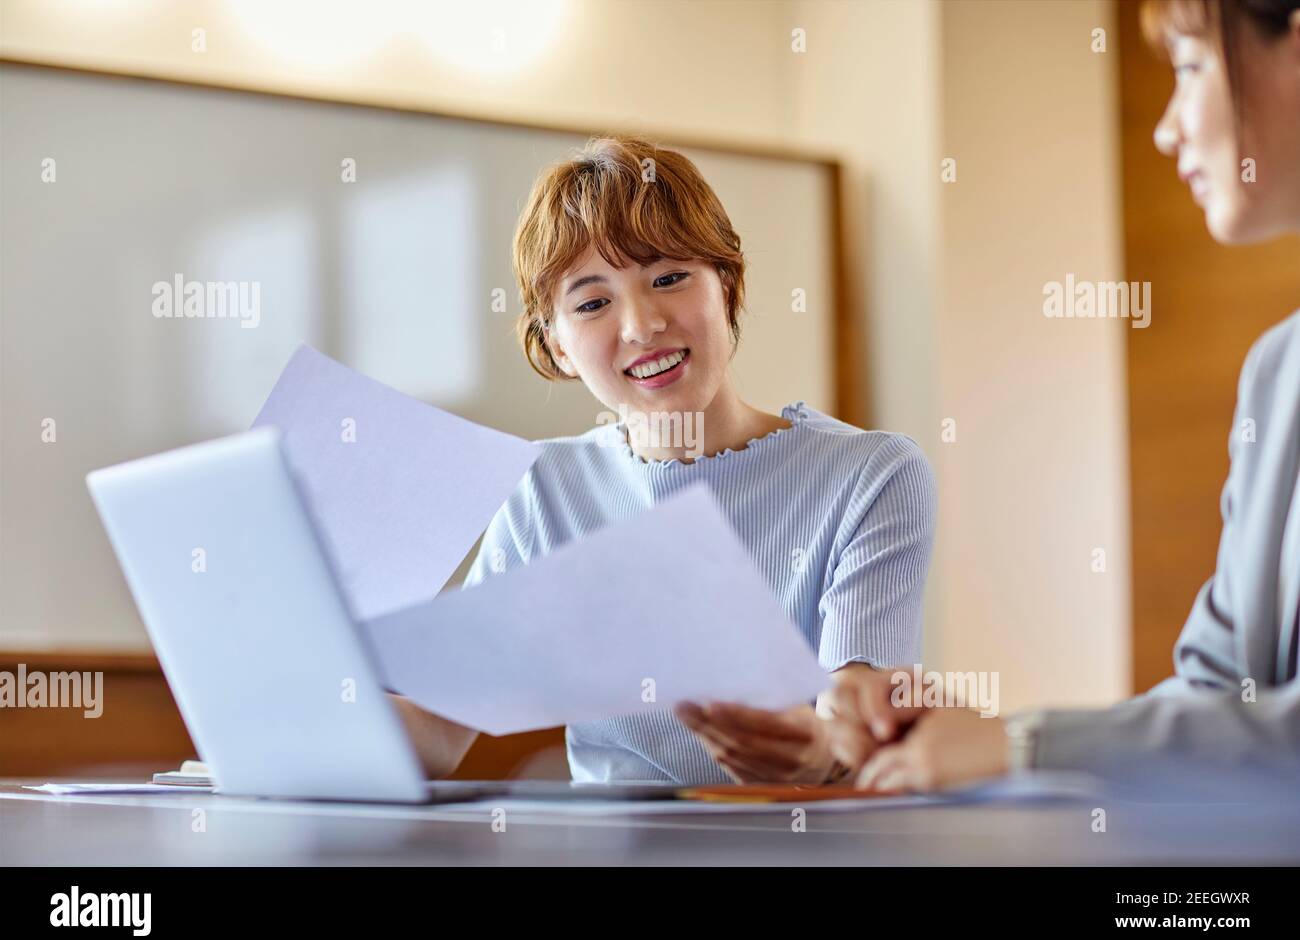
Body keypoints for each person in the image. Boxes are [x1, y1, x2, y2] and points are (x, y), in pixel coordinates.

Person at [823, 0, 1300, 794]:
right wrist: (972, 735)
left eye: (1189, 68)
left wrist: (1030, 745)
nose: (1167, 130)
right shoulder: (1275, 372)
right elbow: (1218, 694)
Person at [390, 135, 936, 784]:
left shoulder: (870, 476)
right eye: (593, 303)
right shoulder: (545, 488)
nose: (642, 325)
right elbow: (439, 729)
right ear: (558, 346)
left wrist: (820, 753)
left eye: (670, 278)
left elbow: (858, 722)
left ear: (726, 286)